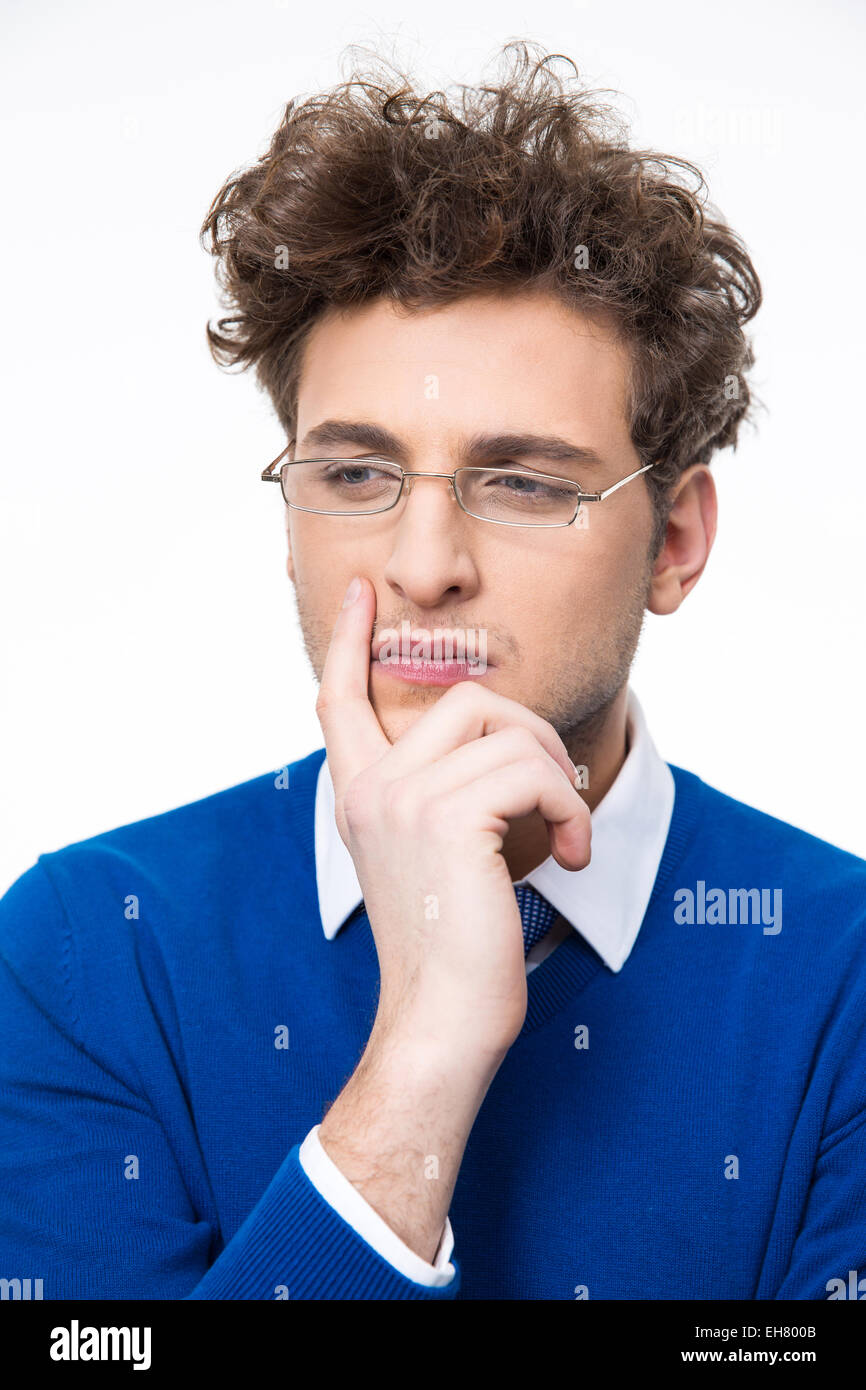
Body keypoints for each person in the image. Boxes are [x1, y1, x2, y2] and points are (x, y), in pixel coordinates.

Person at [1, 41, 864, 1302]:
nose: (422, 564)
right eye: (354, 474)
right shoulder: (81, 955)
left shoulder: (841, 975)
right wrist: (418, 1059)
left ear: (672, 543)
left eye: (520, 482)